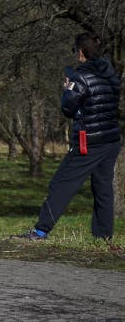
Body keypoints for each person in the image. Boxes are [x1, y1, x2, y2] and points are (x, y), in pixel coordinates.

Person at [11, 33, 121, 242]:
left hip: (88, 141)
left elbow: (68, 108)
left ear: (81, 52)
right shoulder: (111, 75)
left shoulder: (80, 78)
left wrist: (66, 89)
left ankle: (40, 231)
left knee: (61, 183)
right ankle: (103, 236)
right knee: (103, 187)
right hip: (111, 140)